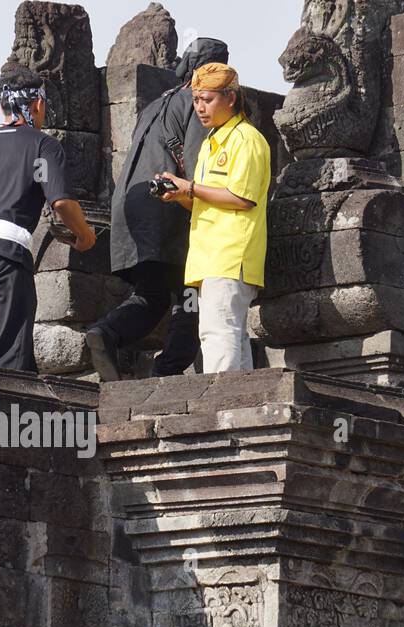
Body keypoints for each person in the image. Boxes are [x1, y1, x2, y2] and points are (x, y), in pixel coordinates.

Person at [86, 38, 230, 383]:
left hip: (127, 211)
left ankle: (106, 333)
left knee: (151, 294)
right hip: (166, 210)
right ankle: (167, 368)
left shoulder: (153, 105)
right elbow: (198, 164)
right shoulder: (196, 104)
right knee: (190, 294)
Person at [0, 64, 97, 372]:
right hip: (2, 259)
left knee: (12, 350)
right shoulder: (42, 144)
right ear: (38, 104)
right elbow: (62, 202)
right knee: (7, 366)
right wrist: (85, 235)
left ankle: (14, 414)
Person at [155, 63, 271, 374]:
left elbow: (243, 197)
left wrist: (190, 187)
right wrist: (182, 196)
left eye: (207, 99)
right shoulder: (209, 144)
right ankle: (241, 403)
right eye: (196, 100)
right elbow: (209, 202)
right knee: (230, 337)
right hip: (209, 257)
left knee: (217, 334)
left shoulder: (246, 139)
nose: (200, 108)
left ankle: (221, 403)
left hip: (231, 255)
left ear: (230, 98)